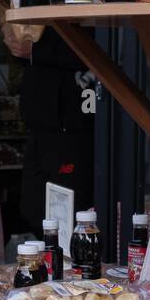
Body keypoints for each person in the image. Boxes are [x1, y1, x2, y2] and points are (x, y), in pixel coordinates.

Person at [17, 28, 93, 228]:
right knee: (33, 208)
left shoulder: (90, 19)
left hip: (70, 124)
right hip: (40, 125)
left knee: (69, 215)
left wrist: (37, 48)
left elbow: (96, 50)